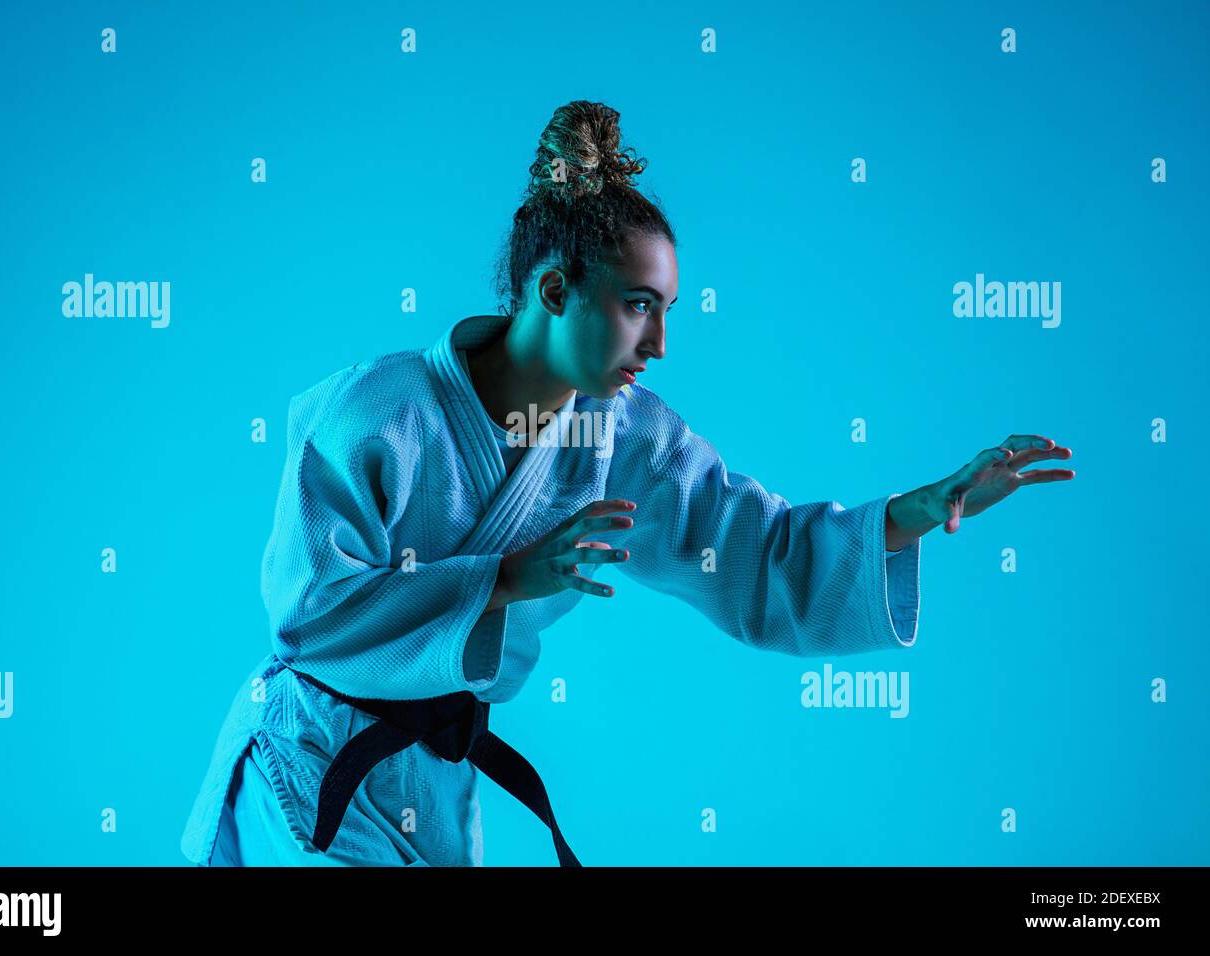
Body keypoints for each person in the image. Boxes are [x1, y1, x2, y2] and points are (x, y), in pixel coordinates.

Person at [180, 100, 1075, 867]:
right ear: (554, 289)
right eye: (637, 305)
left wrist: (915, 512)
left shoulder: (626, 438)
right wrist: (502, 579)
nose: (658, 346)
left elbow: (757, 550)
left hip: (436, 783)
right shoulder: (376, 412)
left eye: (666, 311)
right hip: (313, 761)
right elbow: (310, 615)